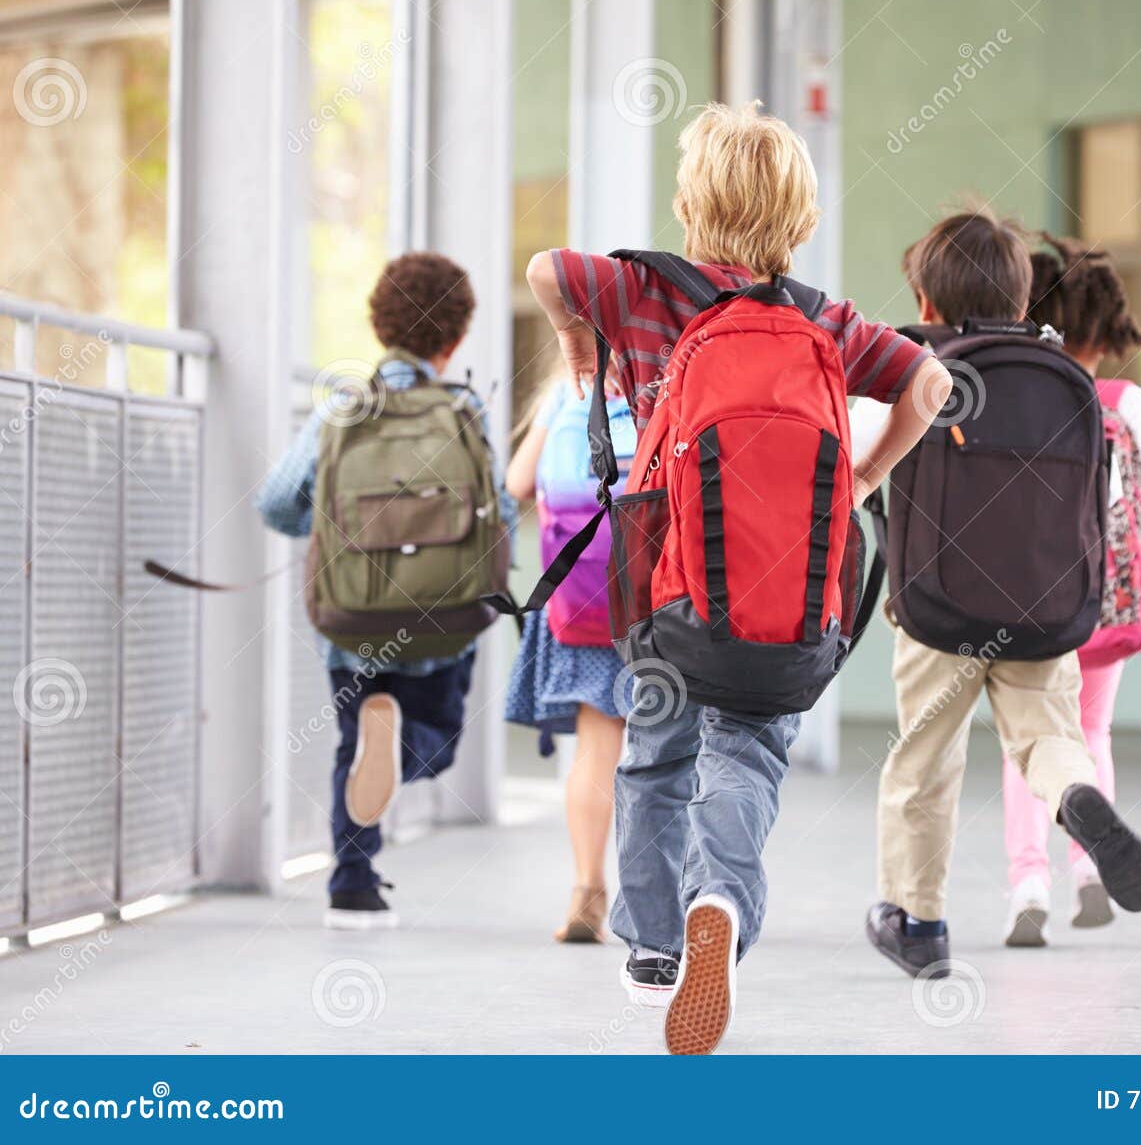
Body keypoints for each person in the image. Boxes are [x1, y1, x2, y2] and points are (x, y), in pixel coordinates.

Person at [524, 102, 951, 1051]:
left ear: (688, 205)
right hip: (792, 600)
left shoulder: (635, 292)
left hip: (669, 593)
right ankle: (718, 897)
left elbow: (545, 270)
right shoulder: (824, 321)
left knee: (657, 753)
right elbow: (930, 384)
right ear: (799, 223)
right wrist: (866, 477)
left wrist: (578, 348)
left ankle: (651, 946)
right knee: (749, 754)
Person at [867, 211, 1141, 981]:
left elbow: (865, 465)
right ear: (1023, 296)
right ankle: (1074, 795)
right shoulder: (1063, 377)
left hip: (938, 608)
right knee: (1045, 737)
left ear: (926, 301)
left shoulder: (917, 366)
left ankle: (918, 921)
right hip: (1042, 605)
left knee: (924, 763)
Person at [256, 252, 516, 930]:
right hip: (444, 615)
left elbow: (277, 503)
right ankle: (402, 751)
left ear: (379, 326)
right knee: (438, 741)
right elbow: (503, 516)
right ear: (455, 336)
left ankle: (352, 884)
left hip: (350, 616)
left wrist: (327, 528)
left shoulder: (341, 412)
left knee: (352, 743)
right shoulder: (464, 411)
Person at [999, 235, 1141, 944]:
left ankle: (1028, 882)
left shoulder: (1022, 392)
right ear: (1109, 327)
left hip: (1028, 595)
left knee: (1026, 743)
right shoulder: (1130, 401)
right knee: (1089, 732)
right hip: (1106, 598)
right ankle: (1090, 869)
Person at [504, 375, 637, 946]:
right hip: (658, 606)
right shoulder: (660, 386)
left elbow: (516, 482)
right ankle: (682, 895)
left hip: (582, 602)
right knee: (679, 751)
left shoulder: (561, 398)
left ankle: (588, 888)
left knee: (596, 751)